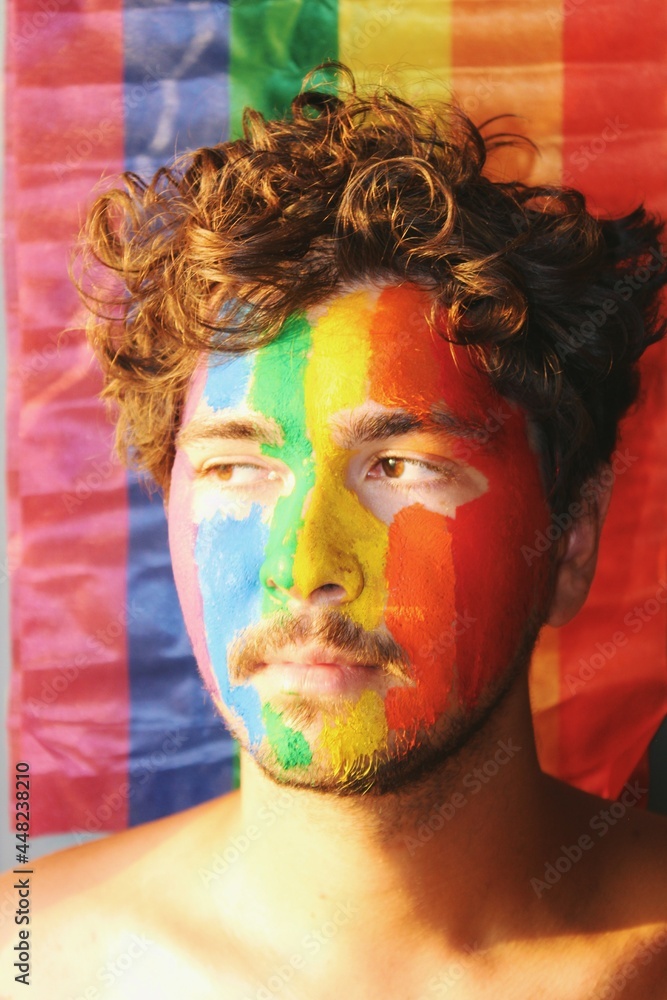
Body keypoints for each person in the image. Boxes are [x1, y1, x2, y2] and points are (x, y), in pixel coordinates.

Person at [2, 65, 667, 999]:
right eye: (238, 469)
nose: (306, 565)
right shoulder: (28, 960)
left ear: (571, 539)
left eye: (399, 468)